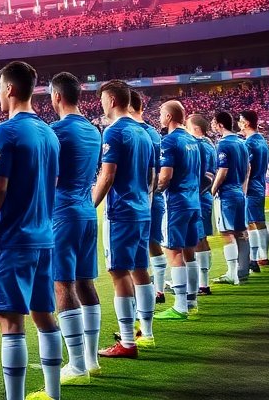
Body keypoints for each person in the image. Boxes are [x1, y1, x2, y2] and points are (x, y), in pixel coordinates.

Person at [0, 61, 61, 400]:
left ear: (10, 89)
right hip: (45, 237)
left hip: (14, 239)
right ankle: (53, 393)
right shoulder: (50, 133)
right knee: (45, 316)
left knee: (11, 324)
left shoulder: (6, 130)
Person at [92, 80, 155, 358]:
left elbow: (107, 175)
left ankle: (127, 342)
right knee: (140, 270)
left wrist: (90, 205)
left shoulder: (114, 132)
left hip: (121, 213)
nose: (101, 105)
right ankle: (148, 333)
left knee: (118, 272)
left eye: (103, 100)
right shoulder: (144, 132)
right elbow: (152, 177)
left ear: (112, 100)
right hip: (142, 209)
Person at [47, 72, 102, 384]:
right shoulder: (94, 131)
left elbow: (51, 178)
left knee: (62, 285)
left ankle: (77, 364)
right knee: (85, 282)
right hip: (86, 211)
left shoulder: (57, 131)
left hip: (63, 214)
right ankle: (91, 359)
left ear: (56, 96)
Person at [155, 100, 202, 321]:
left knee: (173, 252)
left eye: (162, 114)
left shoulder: (169, 141)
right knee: (190, 251)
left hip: (176, 203)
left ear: (169, 117)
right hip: (193, 201)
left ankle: (180, 306)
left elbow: (165, 176)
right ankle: (192, 301)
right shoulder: (193, 141)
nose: (160, 118)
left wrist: (153, 191)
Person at [129, 92, 169, 306]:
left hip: (136, 201)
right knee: (153, 244)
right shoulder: (154, 133)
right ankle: (159, 290)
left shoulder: (131, 131)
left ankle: (140, 312)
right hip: (153, 199)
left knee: (133, 259)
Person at [211, 112, 251, 284]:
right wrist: (243, 187)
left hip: (227, 193)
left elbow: (223, 171)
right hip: (239, 193)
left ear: (220, 125)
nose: (212, 125)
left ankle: (232, 273)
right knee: (241, 231)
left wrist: (212, 190)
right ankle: (243, 270)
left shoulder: (223, 144)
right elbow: (248, 167)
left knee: (227, 233)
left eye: (213, 122)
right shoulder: (242, 142)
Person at [187, 114, 217, 296]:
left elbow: (207, 177)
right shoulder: (210, 144)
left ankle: (199, 284)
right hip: (204, 198)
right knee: (201, 239)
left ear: (195, 128)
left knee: (195, 240)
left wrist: (194, 193)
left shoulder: (199, 145)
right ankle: (202, 283)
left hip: (197, 199)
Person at [240, 111, 269, 269]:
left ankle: (257, 257)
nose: (239, 124)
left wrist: (243, 187)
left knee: (252, 223)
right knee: (258, 221)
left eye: (240, 121)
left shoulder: (249, 143)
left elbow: (248, 167)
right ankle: (263, 256)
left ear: (245, 123)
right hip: (260, 183)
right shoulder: (262, 141)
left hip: (252, 185)